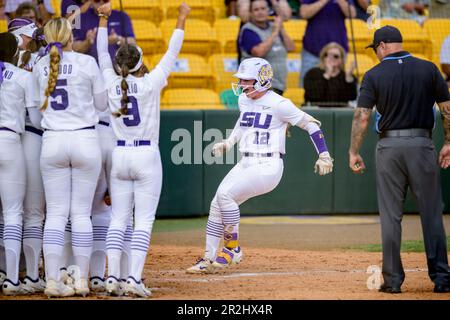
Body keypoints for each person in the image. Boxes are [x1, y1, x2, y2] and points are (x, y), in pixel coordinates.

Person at [186, 57, 334, 274]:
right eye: (242, 80)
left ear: (262, 80)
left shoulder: (279, 103)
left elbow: (310, 124)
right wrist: (229, 142)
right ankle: (207, 258)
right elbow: (242, 122)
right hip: (246, 161)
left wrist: (324, 155)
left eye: (247, 80)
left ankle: (232, 248)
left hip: (268, 164)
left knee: (225, 196)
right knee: (217, 203)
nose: (243, 84)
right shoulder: (244, 100)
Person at [96, 2, 190, 297]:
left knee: (118, 220)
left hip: (120, 155)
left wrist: (102, 18)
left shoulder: (111, 82)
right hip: (146, 155)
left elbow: (101, 53)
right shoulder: (151, 83)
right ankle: (134, 279)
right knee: (143, 221)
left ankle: (112, 277)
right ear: (139, 63)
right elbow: (172, 52)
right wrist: (182, 17)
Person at [349, 25, 450, 294]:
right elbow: (446, 108)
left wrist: (353, 151)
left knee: (391, 217)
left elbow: (362, 116)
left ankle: (393, 281)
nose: (376, 54)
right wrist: (449, 142)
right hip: (422, 144)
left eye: (376, 49)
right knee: (432, 215)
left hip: (389, 147)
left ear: (382, 45)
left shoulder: (374, 74)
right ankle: (442, 278)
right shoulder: (429, 68)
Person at [33, 17, 107, 297]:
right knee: (80, 214)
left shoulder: (40, 66)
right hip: (85, 140)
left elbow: (34, 114)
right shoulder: (87, 63)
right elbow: (102, 104)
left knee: (55, 215)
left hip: (52, 140)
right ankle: (81, 281)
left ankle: (52, 281)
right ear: (69, 37)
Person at [0, 32, 41, 295]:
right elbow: (36, 121)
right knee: (14, 213)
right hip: (10, 140)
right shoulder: (23, 76)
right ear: (15, 52)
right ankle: (12, 280)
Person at [10, 18, 47, 295]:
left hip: (10, 138)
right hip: (32, 136)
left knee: (8, 213)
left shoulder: (11, 63)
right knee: (33, 213)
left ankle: (6, 273)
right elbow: (36, 115)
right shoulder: (39, 60)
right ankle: (32, 275)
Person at [238, 0, 296, 95]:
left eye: (263, 9)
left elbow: (291, 47)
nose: (260, 12)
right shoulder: (248, 30)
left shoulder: (274, 27)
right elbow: (259, 52)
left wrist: (281, 28)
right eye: (256, 10)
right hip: (258, 87)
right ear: (251, 13)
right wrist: (275, 32)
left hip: (278, 84)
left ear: (268, 11)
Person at [300, 0, 356, 87]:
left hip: (337, 54)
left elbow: (352, 14)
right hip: (312, 52)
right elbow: (304, 13)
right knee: (307, 88)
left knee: (337, 88)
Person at [61, 0, 135, 63]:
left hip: (117, 69)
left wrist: (118, 39)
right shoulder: (81, 17)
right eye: (97, 0)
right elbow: (72, 48)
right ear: (92, 1)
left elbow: (133, 44)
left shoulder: (121, 16)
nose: (102, 2)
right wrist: (87, 43)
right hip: (89, 70)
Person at [304, 42, 357, 107]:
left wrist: (348, 77)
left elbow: (351, 97)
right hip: (316, 112)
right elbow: (313, 96)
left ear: (341, 59)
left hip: (339, 113)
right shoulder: (312, 73)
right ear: (323, 57)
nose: (331, 58)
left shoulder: (346, 76)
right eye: (327, 55)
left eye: (335, 56)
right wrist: (327, 74)